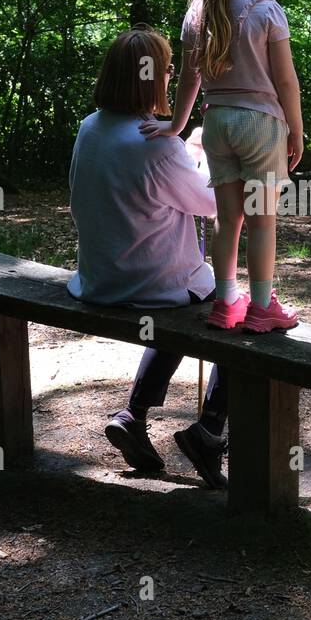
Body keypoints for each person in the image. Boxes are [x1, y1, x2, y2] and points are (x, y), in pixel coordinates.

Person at [67, 26, 229, 488]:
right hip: (150, 285)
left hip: (97, 280)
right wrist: (201, 152)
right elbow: (212, 204)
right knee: (242, 309)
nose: (174, 75)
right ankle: (210, 429)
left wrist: (185, 149)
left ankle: (133, 414)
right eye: (169, 70)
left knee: (184, 303)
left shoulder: (90, 127)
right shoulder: (156, 144)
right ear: (148, 80)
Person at [140, 0, 304, 334]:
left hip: (216, 125)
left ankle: (226, 301)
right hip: (261, 124)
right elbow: (285, 79)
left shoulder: (199, 12)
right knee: (263, 218)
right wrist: (297, 130)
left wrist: (176, 125)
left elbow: (191, 77)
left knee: (227, 218)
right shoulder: (267, 11)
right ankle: (263, 306)